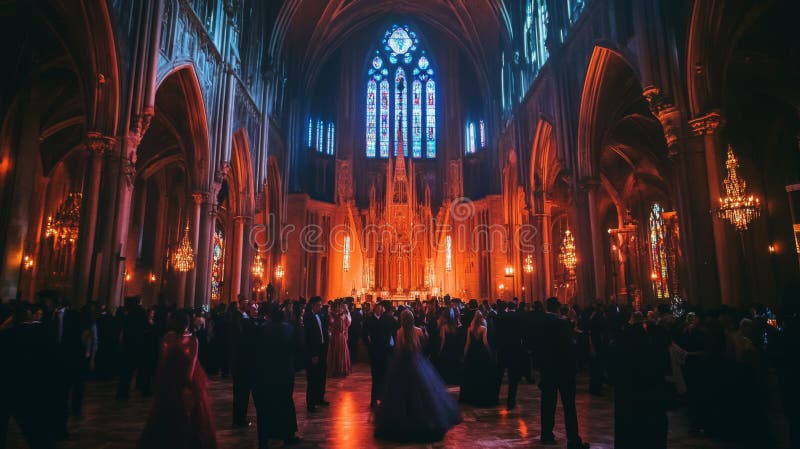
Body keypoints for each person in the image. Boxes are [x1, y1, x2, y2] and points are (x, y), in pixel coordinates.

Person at [374, 310, 461, 442]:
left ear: (402, 320)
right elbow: (423, 346)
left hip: (401, 364)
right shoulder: (419, 331)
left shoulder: (399, 332)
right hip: (416, 362)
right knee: (422, 393)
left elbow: (397, 348)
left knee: (399, 395)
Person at [138, 311, 216, 449]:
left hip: (173, 377)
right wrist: (187, 381)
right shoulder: (185, 339)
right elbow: (190, 361)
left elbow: (164, 358)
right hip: (179, 377)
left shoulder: (172, 338)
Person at [535, 297, 589, 449]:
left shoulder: (540, 323)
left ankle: (546, 435)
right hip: (564, 370)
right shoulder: (562, 323)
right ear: (558, 308)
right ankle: (573, 439)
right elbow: (569, 346)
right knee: (569, 406)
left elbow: (536, 347)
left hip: (547, 370)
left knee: (547, 404)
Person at [251, 306, 302, 447]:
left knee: (266, 406)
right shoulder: (289, 329)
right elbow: (297, 348)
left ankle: (264, 439)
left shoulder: (262, 329)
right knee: (285, 403)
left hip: (266, 373)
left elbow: (256, 349)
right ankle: (287, 435)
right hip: (285, 372)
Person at [459, 310, 498, 406]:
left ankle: (471, 394)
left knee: (472, 373)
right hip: (481, 353)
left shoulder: (470, 329)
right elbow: (485, 342)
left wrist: (465, 354)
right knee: (482, 373)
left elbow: (467, 343)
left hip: (472, 353)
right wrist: (489, 351)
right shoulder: (483, 328)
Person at [495, 301, 525, 409]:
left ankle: (495, 397)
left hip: (503, 349)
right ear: (516, 307)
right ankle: (511, 401)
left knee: (499, 375)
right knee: (513, 378)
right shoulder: (519, 317)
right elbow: (523, 333)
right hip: (515, 350)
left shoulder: (501, 317)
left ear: (508, 307)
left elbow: (496, 333)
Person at [364, 301, 394, 407]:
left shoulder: (386, 319)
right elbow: (364, 334)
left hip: (385, 352)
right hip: (375, 352)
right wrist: (369, 345)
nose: (379, 309)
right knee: (376, 377)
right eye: (377, 307)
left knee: (385, 376)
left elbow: (392, 334)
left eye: (380, 307)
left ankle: (383, 398)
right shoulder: (369, 320)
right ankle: (374, 399)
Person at [303, 297, 329, 412]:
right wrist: (313, 354)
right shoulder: (308, 317)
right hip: (314, 351)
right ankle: (311, 402)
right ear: (313, 305)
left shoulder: (321, 316)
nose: (321, 307)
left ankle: (320, 398)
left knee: (321, 375)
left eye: (321, 305)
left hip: (322, 348)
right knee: (313, 378)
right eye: (319, 305)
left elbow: (323, 331)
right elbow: (309, 337)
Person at [327, 301, 352, 377]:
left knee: (342, 353)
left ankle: (341, 370)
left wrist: (346, 313)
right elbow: (330, 324)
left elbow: (348, 324)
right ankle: (334, 370)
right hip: (334, 336)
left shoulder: (344, 315)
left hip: (341, 337)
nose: (338, 308)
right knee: (334, 352)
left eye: (339, 307)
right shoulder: (331, 315)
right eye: (337, 307)